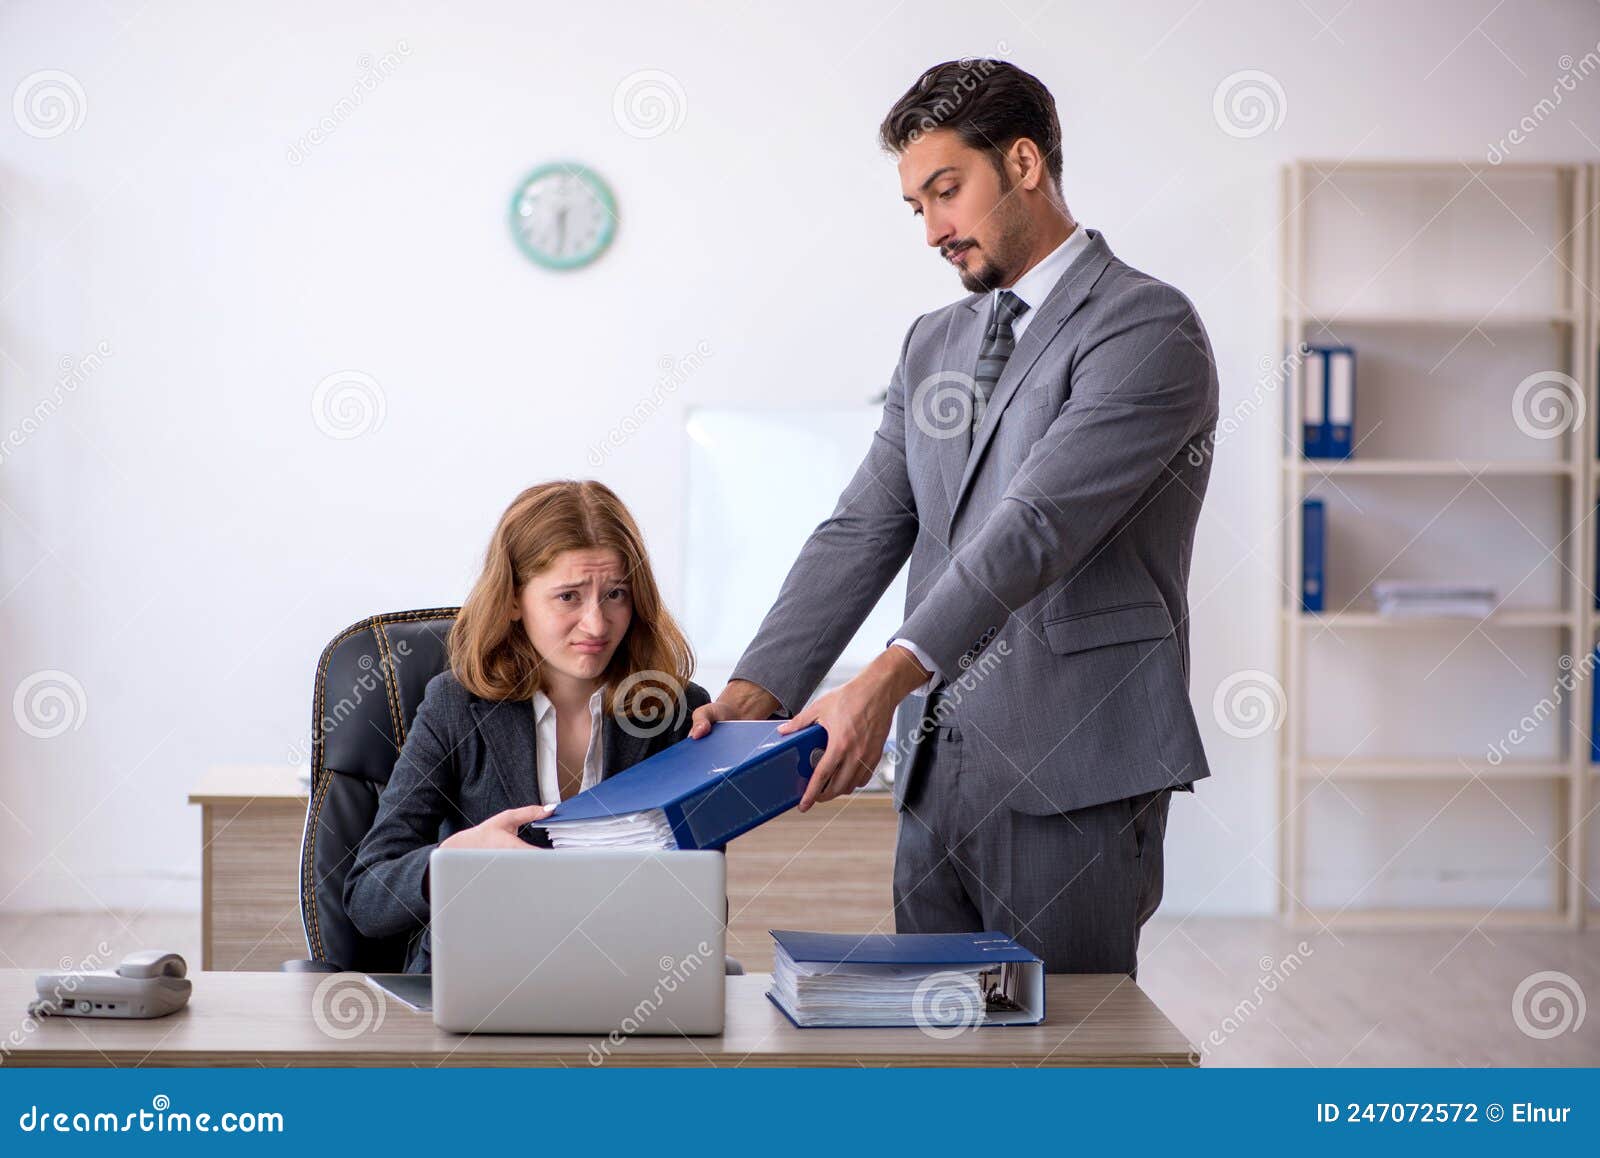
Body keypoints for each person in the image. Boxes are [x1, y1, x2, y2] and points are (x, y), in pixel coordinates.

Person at [690, 59, 1219, 974]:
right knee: (937, 1055)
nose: (934, 229)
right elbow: (863, 527)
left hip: (1074, 765)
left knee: (1065, 1063)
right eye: (916, 206)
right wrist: (752, 697)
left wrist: (880, 681)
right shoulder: (934, 340)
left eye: (947, 191)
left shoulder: (1145, 326)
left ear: (1023, 163)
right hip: (938, 768)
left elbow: (1037, 526)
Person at [345, 479, 709, 973]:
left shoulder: (675, 712)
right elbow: (368, 896)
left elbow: (702, 905)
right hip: (482, 980)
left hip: (630, 980)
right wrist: (452, 863)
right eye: (568, 597)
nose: (597, 625)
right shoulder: (455, 706)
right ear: (515, 600)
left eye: (616, 594)